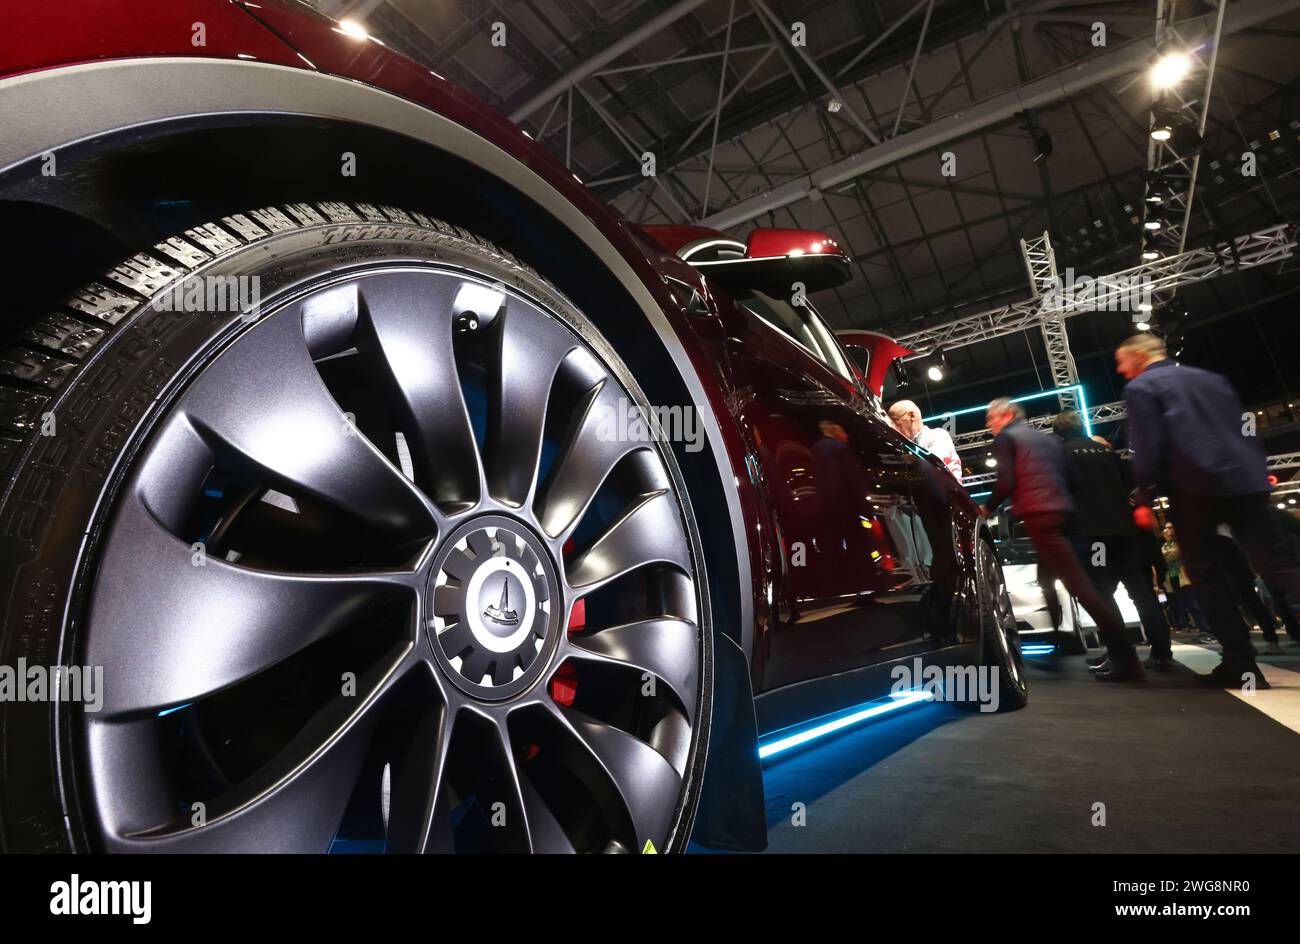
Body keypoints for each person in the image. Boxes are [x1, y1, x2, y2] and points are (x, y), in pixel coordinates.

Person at [1118, 332, 1300, 689]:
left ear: (1139, 357)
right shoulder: (1211, 379)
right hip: (1246, 480)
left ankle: (1241, 664)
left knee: (1205, 575)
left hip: (1194, 486)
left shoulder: (1141, 389)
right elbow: (1246, 429)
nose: (1122, 370)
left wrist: (1143, 500)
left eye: (1122, 362)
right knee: (1278, 564)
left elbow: (1149, 448)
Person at [979, 398, 1142, 680]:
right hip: (1063, 514)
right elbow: (1075, 478)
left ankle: (1126, 657)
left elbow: (1006, 481)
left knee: (1082, 587)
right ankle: (1061, 643)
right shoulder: (1047, 440)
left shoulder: (1007, 438)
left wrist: (985, 509)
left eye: (991, 418)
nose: (988, 424)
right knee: (1047, 580)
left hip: (1040, 517)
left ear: (1006, 415)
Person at [1050, 411, 1174, 671]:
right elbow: (1131, 487)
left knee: (1102, 593)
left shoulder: (1061, 455)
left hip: (1093, 535)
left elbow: (1060, 494)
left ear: (1058, 432)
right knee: (1140, 592)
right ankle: (1162, 651)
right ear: (1081, 426)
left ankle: (1121, 654)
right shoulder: (1107, 452)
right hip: (1124, 532)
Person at [888, 399, 963, 480]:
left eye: (895, 421)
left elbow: (932, 461)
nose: (893, 428)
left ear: (911, 415)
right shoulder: (904, 445)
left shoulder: (938, 434)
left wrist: (896, 459)